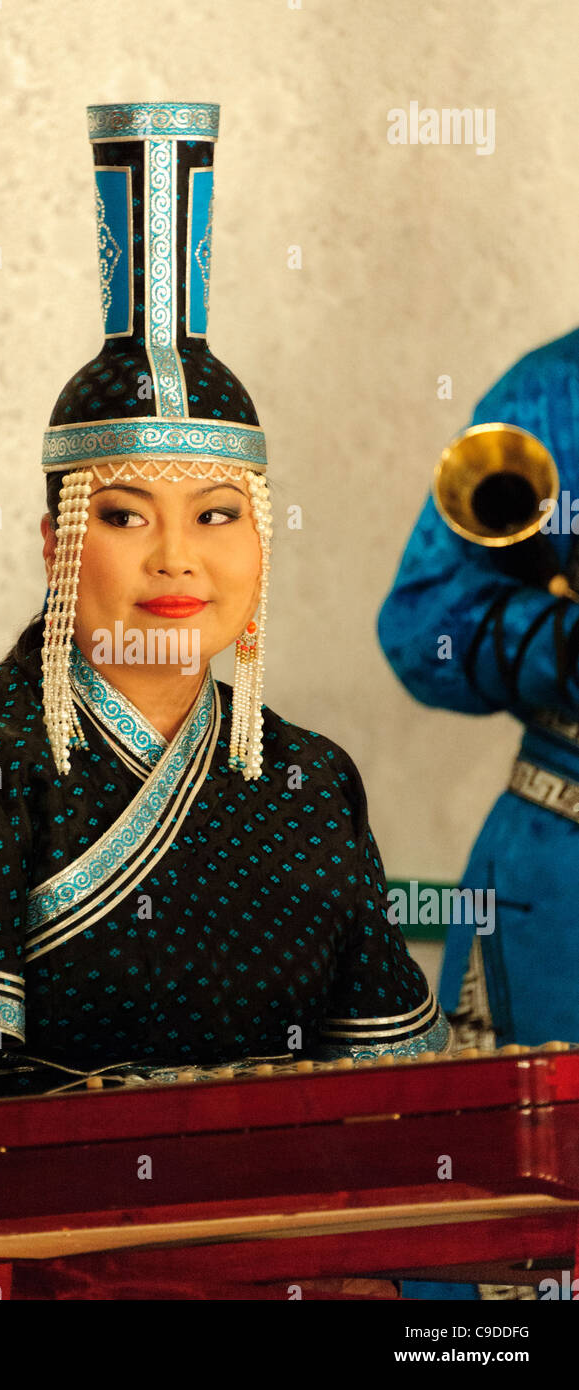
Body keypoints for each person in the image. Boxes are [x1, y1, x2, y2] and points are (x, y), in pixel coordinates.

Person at [0, 100, 450, 1302]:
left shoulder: (309, 778)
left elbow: (364, 1092)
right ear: (56, 540)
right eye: (127, 514)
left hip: (256, 1266)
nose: (178, 559)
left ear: (262, 544)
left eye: (217, 516)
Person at [377, 326, 579, 1301]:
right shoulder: (550, 390)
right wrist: (561, 645)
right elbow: (420, 626)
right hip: (558, 877)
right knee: (523, 1234)